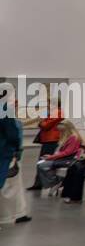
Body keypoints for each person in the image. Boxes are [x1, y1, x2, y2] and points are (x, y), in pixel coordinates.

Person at [0, 91, 31, 227]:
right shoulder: (4, 109)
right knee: (10, 185)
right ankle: (13, 214)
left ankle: (18, 213)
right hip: (5, 152)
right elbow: (12, 134)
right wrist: (16, 149)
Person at [32, 121, 81, 193]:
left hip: (69, 160)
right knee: (41, 164)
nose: (60, 133)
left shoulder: (73, 138)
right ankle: (57, 181)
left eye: (62, 131)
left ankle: (55, 182)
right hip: (64, 159)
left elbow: (67, 152)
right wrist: (52, 156)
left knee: (42, 165)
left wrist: (52, 157)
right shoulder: (69, 137)